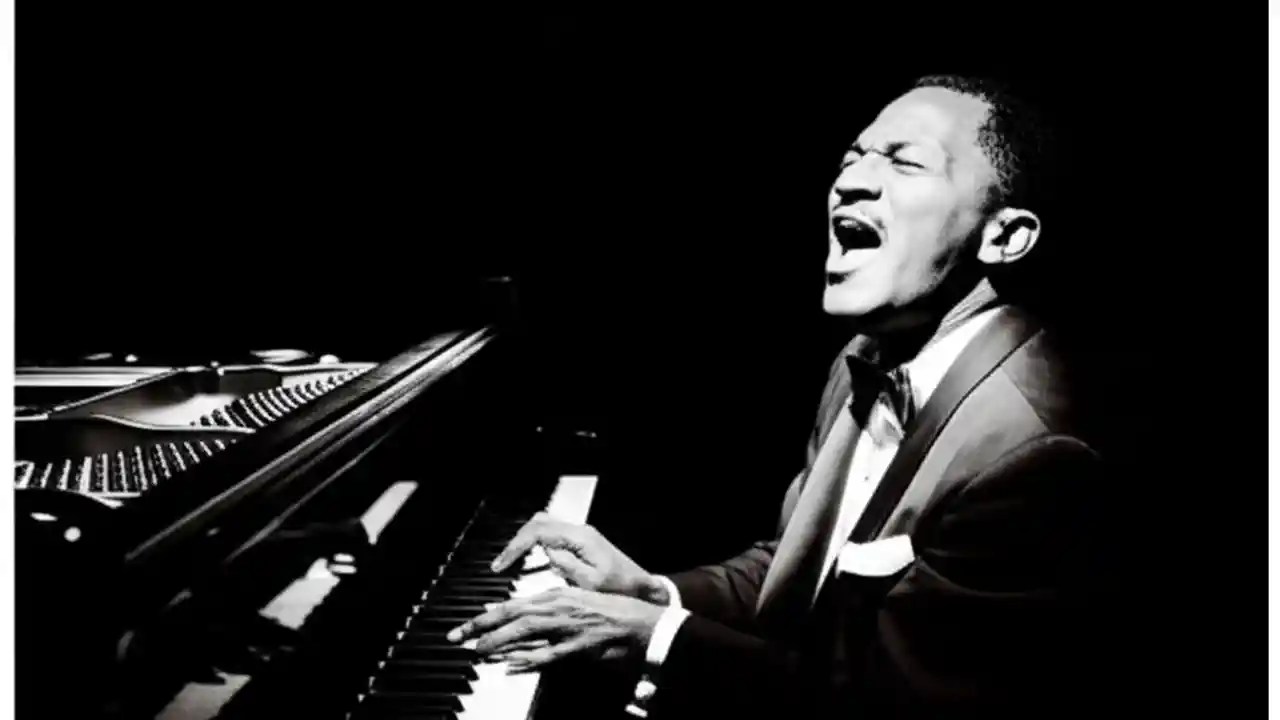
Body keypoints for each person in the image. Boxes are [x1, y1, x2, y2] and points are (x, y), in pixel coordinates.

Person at [447, 75, 1110, 718]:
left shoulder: (1036, 450)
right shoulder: (863, 356)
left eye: (906, 163)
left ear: (1004, 236)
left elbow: (893, 705)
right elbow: (796, 570)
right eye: (852, 158)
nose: (849, 180)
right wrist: (657, 591)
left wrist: (653, 635)